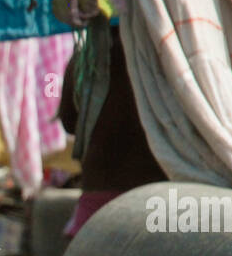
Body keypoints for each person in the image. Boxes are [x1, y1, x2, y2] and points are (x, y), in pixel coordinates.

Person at [57, 28, 166, 238]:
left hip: (99, 190)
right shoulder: (162, 57)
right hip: (154, 195)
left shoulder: (84, 60)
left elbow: (69, 123)